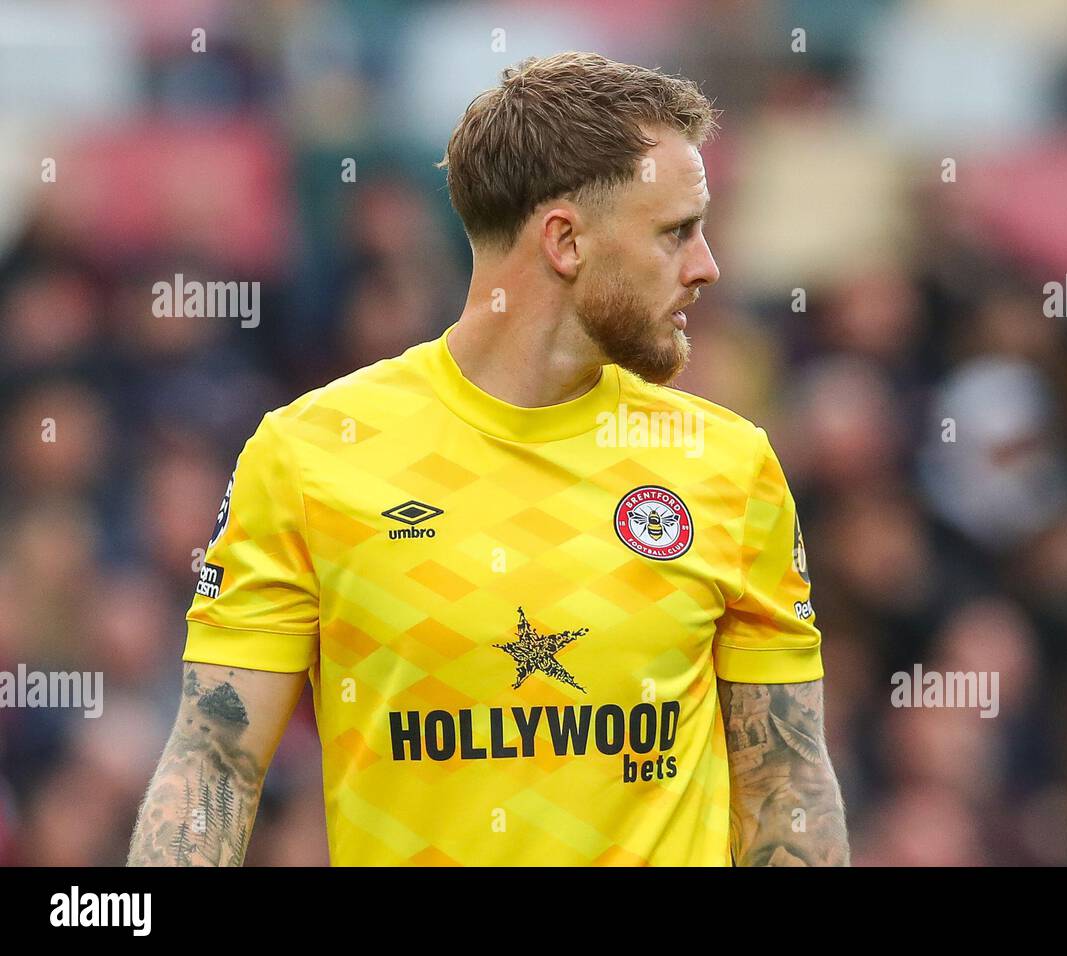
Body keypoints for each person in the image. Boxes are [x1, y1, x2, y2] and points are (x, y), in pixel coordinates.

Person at [127, 51, 849, 867]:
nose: (706, 266)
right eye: (676, 232)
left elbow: (785, 779)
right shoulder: (309, 457)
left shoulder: (727, 465)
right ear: (566, 241)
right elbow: (216, 759)